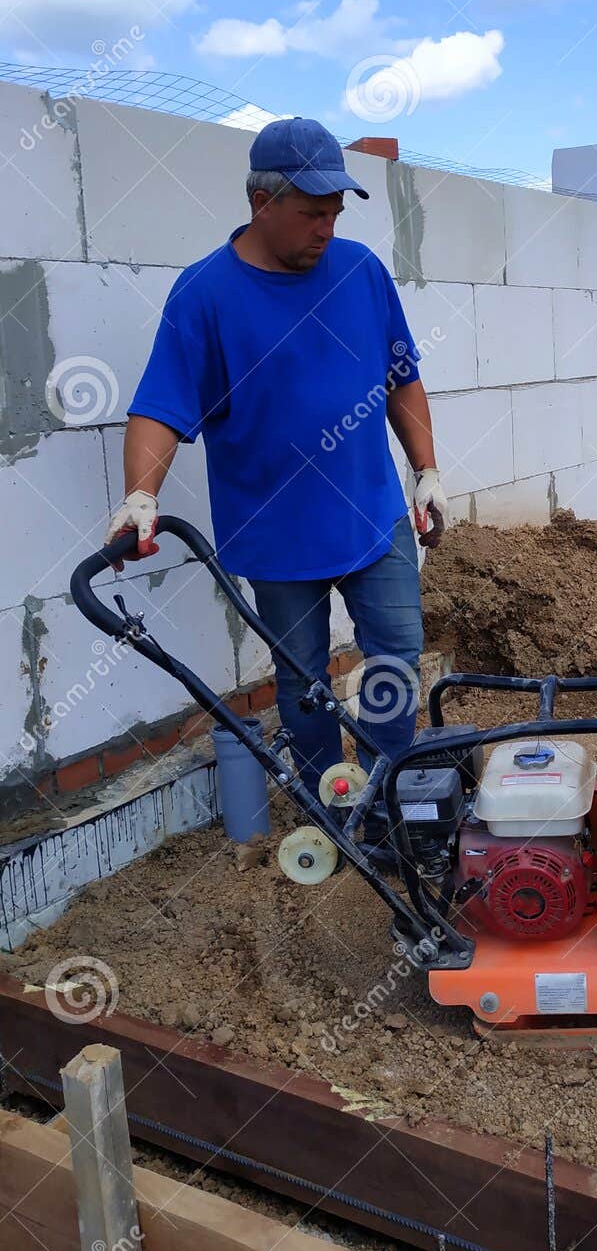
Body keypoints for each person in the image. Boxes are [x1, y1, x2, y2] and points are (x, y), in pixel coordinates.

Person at [104, 116, 447, 829]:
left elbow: (401, 378)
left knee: (393, 663)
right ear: (261, 202)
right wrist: (142, 494)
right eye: (311, 213)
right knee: (303, 686)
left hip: (372, 514)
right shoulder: (205, 295)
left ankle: (391, 800)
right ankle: (334, 811)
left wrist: (426, 471)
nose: (326, 228)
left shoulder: (361, 273)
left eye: (335, 213)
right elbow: (161, 407)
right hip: (275, 534)